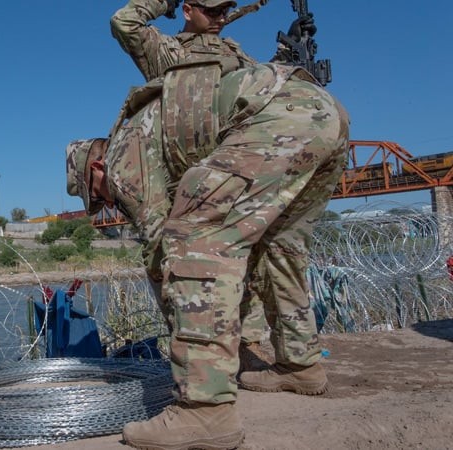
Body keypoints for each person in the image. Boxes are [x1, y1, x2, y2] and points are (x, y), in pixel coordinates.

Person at [67, 61, 349, 449]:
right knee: (279, 248)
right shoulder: (149, 131)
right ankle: (300, 366)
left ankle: (205, 410)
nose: (106, 202)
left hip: (278, 117)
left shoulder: (120, 153)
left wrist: (185, 327)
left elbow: (159, 247)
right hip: (322, 111)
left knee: (195, 238)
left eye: (97, 193)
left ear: (97, 167)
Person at [110, 0, 318, 372]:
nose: (221, 18)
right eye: (213, 10)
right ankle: (198, 356)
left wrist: (286, 56)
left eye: (226, 10)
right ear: (189, 9)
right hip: (186, 174)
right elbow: (124, 21)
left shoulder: (234, 51)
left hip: (235, 163)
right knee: (188, 261)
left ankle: (249, 346)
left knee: (259, 256)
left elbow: (258, 97)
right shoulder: (166, 50)